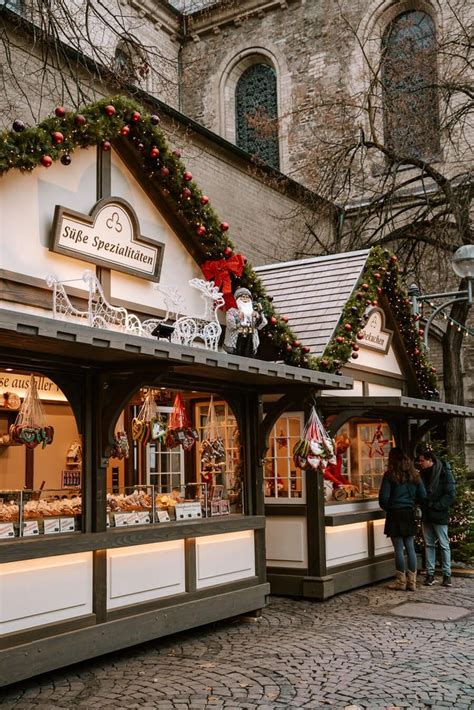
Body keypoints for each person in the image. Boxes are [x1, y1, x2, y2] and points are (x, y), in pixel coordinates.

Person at [379, 448, 427, 591]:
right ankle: (412, 582)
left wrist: (391, 507)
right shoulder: (415, 475)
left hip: (395, 514)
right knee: (410, 547)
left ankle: (401, 582)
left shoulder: (389, 475)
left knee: (399, 549)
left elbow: (383, 499)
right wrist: (413, 504)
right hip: (409, 513)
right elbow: (423, 496)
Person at [416, 445, 456, 587]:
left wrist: (436, 505)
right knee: (429, 545)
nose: (420, 463)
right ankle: (430, 574)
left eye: (422, 461)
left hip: (439, 514)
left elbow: (450, 494)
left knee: (444, 545)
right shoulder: (421, 474)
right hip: (427, 514)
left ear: (430, 460)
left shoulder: (444, 472)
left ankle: (447, 575)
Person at [223, 287, 267, 357]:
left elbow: (262, 324)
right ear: (237, 299)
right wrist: (238, 318)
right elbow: (231, 325)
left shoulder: (253, 313)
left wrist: (259, 316)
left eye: (247, 297)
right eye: (243, 297)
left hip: (250, 342)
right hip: (235, 342)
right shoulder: (232, 311)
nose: (245, 299)